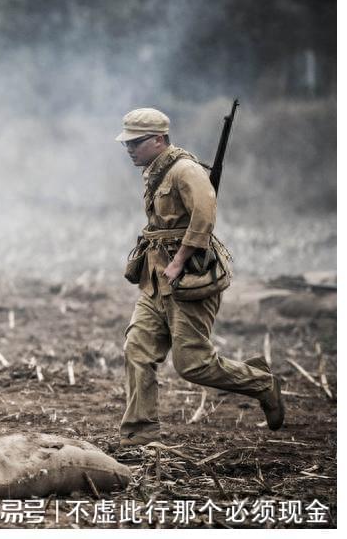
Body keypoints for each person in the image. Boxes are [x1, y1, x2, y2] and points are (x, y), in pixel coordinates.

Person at [116, 107, 283, 447]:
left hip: (188, 278)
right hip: (156, 280)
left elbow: (204, 218)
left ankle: (261, 383)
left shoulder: (184, 169)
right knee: (137, 348)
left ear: (159, 139)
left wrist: (178, 261)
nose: (129, 149)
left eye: (136, 142)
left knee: (193, 364)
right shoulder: (154, 170)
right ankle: (139, 433)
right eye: (127, 143)